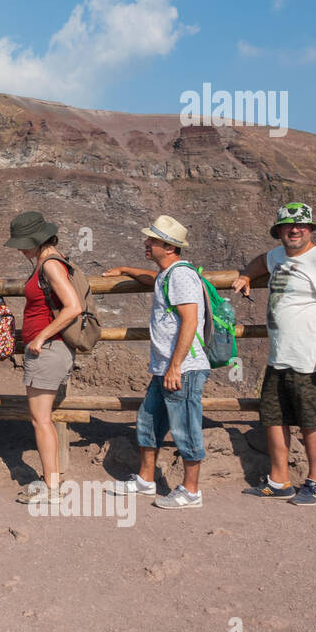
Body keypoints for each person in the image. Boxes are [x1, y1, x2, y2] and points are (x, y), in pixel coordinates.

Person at [234, 202, 316, 506]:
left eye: (302, 225)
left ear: (310, 229)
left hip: (311, 358)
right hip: (279, 357)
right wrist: (247, 274)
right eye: (288, 226)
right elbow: (261, 261)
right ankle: (279, 481)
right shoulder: (277, 256)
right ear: (279, 231)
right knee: (273, 418)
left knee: (312, 420)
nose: (295, 230)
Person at [104, 216, 210, 509]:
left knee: (185, 428)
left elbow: (189, 321)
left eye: (152, 240)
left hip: (182, 368)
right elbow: (154, 280)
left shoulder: (181, 276)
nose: (146, 244)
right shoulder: (168, 274)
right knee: (148, 422)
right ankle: (146, 481)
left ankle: (191, 492)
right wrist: (126, 270)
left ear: (169, 247)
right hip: (166, 368)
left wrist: (176, 365)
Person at [5, 211, 82, 506]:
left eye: (25, 244)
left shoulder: (49, 264)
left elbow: (72, 306)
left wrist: (40, 337)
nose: (22, 250)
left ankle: (51, 486)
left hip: (48, 350)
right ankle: (52, 481)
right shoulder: (51, 260)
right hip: (50, 349)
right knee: (42, 419)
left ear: (38, 239)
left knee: (40, 420)